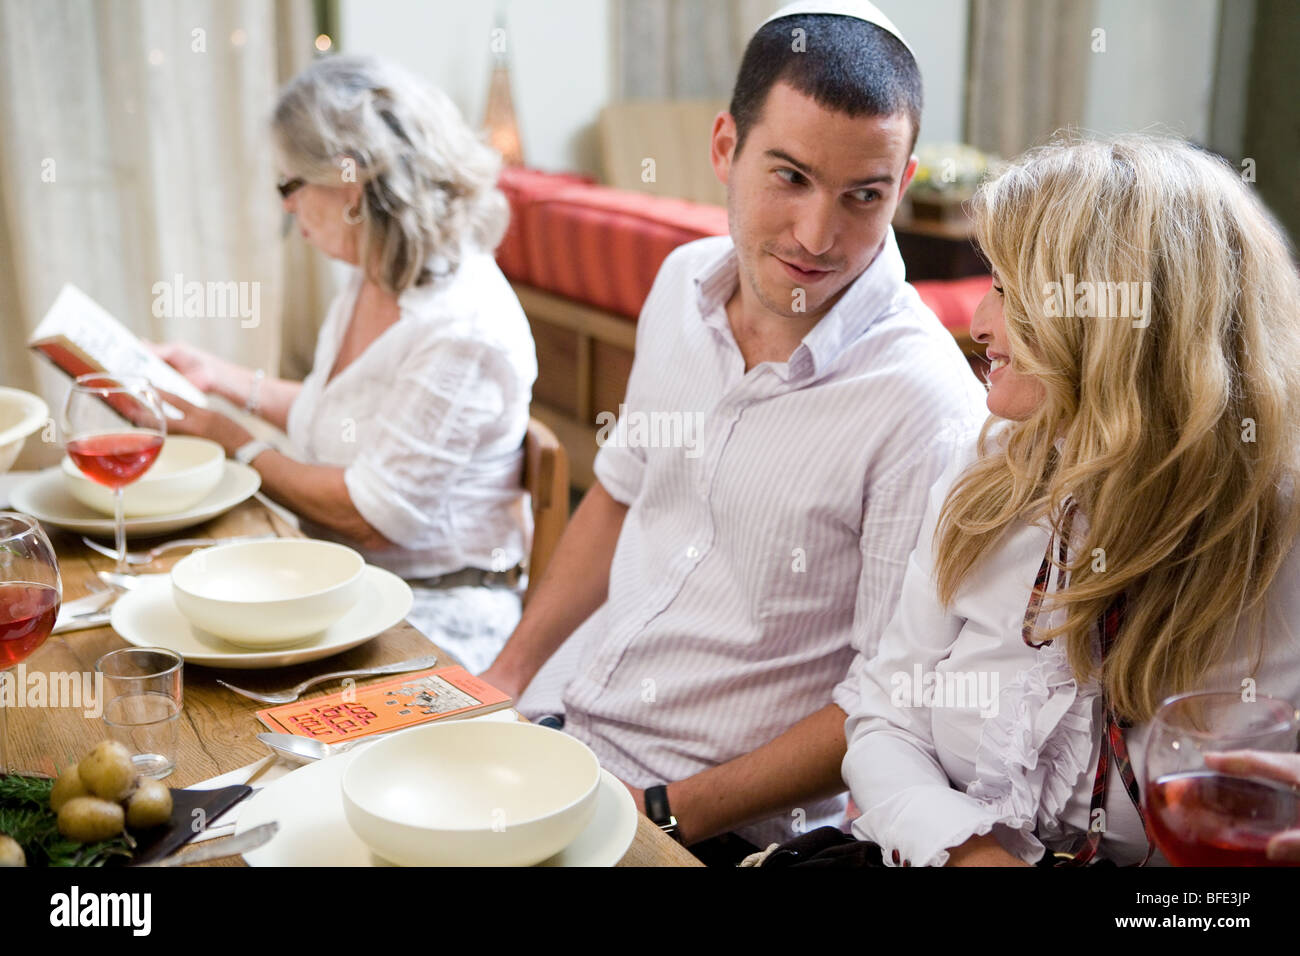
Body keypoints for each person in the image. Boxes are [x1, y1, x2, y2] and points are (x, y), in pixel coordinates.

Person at [480, 0, 987, 865]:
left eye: (862, 197)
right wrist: (505, 676)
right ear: (725, 148)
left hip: (714, 824)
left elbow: (883, 701)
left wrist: (667, 813)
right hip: (565, 730)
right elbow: (617, 493)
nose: (817, 237)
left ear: (900, 189)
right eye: (789, 176)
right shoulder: (680, 282)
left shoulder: (924, 404)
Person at [832, 134, 1300, 867]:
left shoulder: (1280, 534)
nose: (979, 323)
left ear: (1117, 323)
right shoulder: (983, 469)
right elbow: (885, 717)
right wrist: (974, 855)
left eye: (1011, 294)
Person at [153, 55, 537, 674]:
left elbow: (369, 515)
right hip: (343, 581)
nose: (286, 207)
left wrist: (227, 436)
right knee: (164, 615)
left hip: (430, 614)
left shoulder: (461, 325)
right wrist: (218, 379)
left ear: (349, 185)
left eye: (289, 185)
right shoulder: (376, 273)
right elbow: (338, 413)